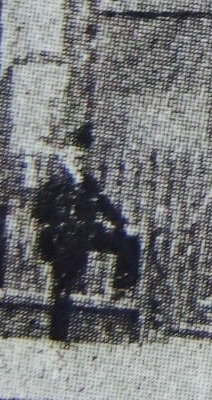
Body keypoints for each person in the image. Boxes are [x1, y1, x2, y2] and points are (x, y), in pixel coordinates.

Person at [31, 123, 140, 342]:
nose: (81, 164)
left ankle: (120, 287)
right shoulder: (55, 181)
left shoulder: (89, 182)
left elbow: (106, 207)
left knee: (129, 241)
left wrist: (122, 224)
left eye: (84, 159)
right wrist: (50, 232)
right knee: (62, 286)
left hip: (87, 234)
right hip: (61, 239)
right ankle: (57, 336)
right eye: (77, 158)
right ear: (66, 156)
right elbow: (39, 214)